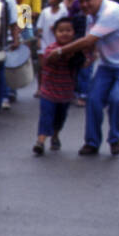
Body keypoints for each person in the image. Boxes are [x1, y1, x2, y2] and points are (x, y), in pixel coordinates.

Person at [47, 0, 119, 156]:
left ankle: (115, 138)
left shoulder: (112, 12)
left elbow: (88, 40)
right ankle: (92, 142)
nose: (85, 5)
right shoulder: (89, 16)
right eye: (81, 1)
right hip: (108, 62)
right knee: (93, 99)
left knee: (117, 98)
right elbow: (90, 45)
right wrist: (86, 59)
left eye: (88, 0)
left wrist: (60, 51)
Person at [32, 16, 82, 154]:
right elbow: (33, 17)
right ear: (55, 33)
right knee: (46, 117)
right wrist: (31, 35)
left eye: (68, 30)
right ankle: (40, 141)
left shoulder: (76, 51)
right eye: (61, 31)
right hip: (48, 92)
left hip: (65, 93)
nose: (65, 33)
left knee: (60, 119)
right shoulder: (51, 48)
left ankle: (55, 135)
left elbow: (83, 64)